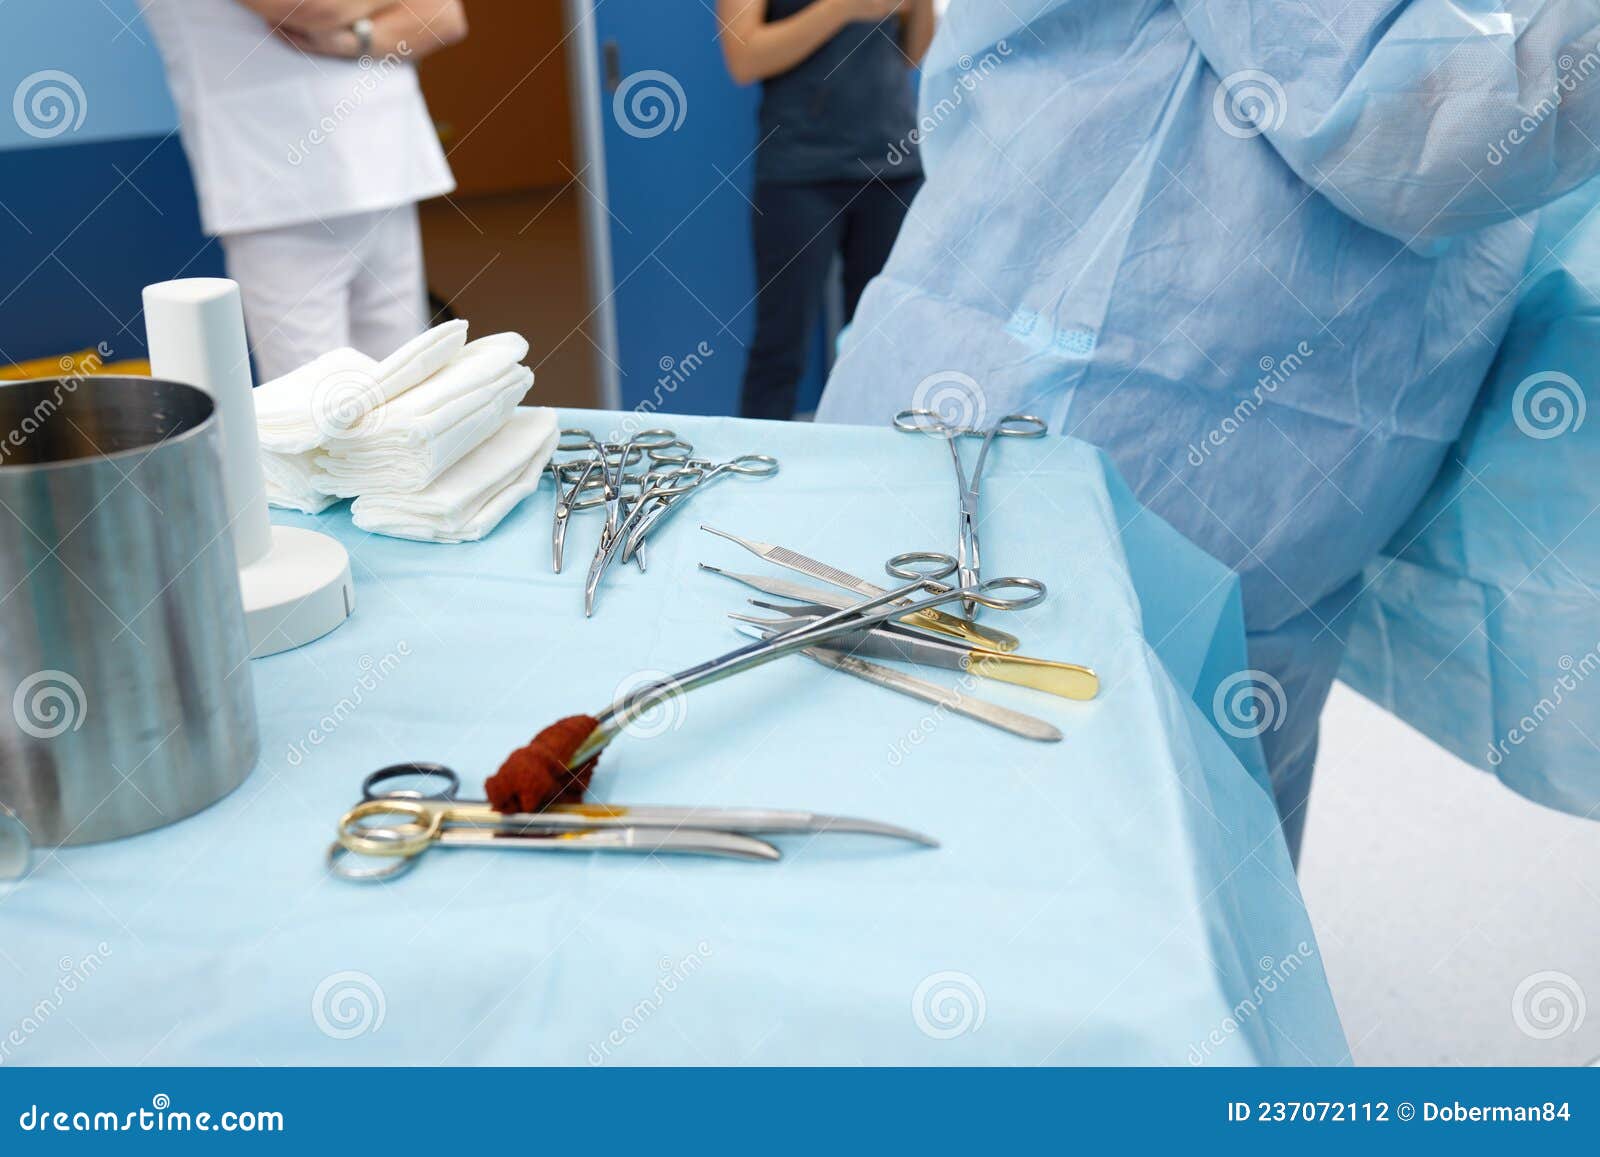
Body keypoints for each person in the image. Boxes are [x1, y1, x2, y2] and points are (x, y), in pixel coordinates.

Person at [815, 0, 1600, 857]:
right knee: (1000, 876)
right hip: (1086, 444)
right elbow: (1419, 125)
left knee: (1182, 900)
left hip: (1241, 491)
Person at [141, 0, 468, 382]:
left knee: (404, 391)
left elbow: (444, 17)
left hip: (389, 173)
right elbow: (311, 7)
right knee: (313, 405)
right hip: (280, 190)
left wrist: (355, 38)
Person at [717, 0, 937, 421]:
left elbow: (910, 55)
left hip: (893, 167)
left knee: (886, 346)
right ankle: (756, 481)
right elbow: (743, 58)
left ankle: (880, 477)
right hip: (801, 172)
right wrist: (841, 8)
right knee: (780, 349)